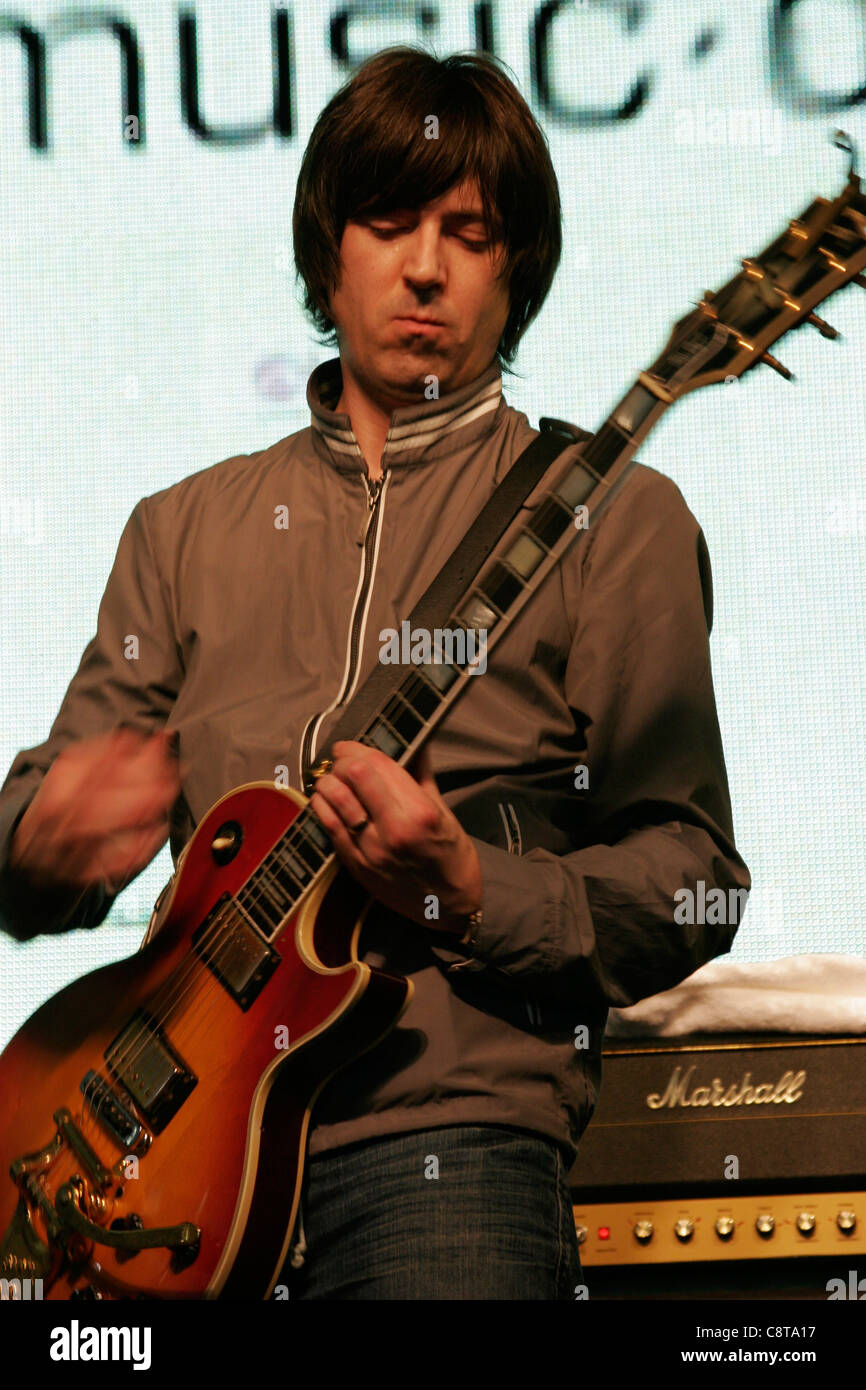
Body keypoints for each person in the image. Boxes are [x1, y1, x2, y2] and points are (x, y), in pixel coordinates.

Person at [0, 47, 750, 1300]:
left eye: (468, 231)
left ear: (517, 270)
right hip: (145, 1168)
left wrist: (468, 886)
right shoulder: (180, 531)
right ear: (324, 252)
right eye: (387, 220)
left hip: (441, 1143)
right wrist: (44, 839)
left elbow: (694, 887)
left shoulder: (616, 521)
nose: (422, 266)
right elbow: (29, 834)